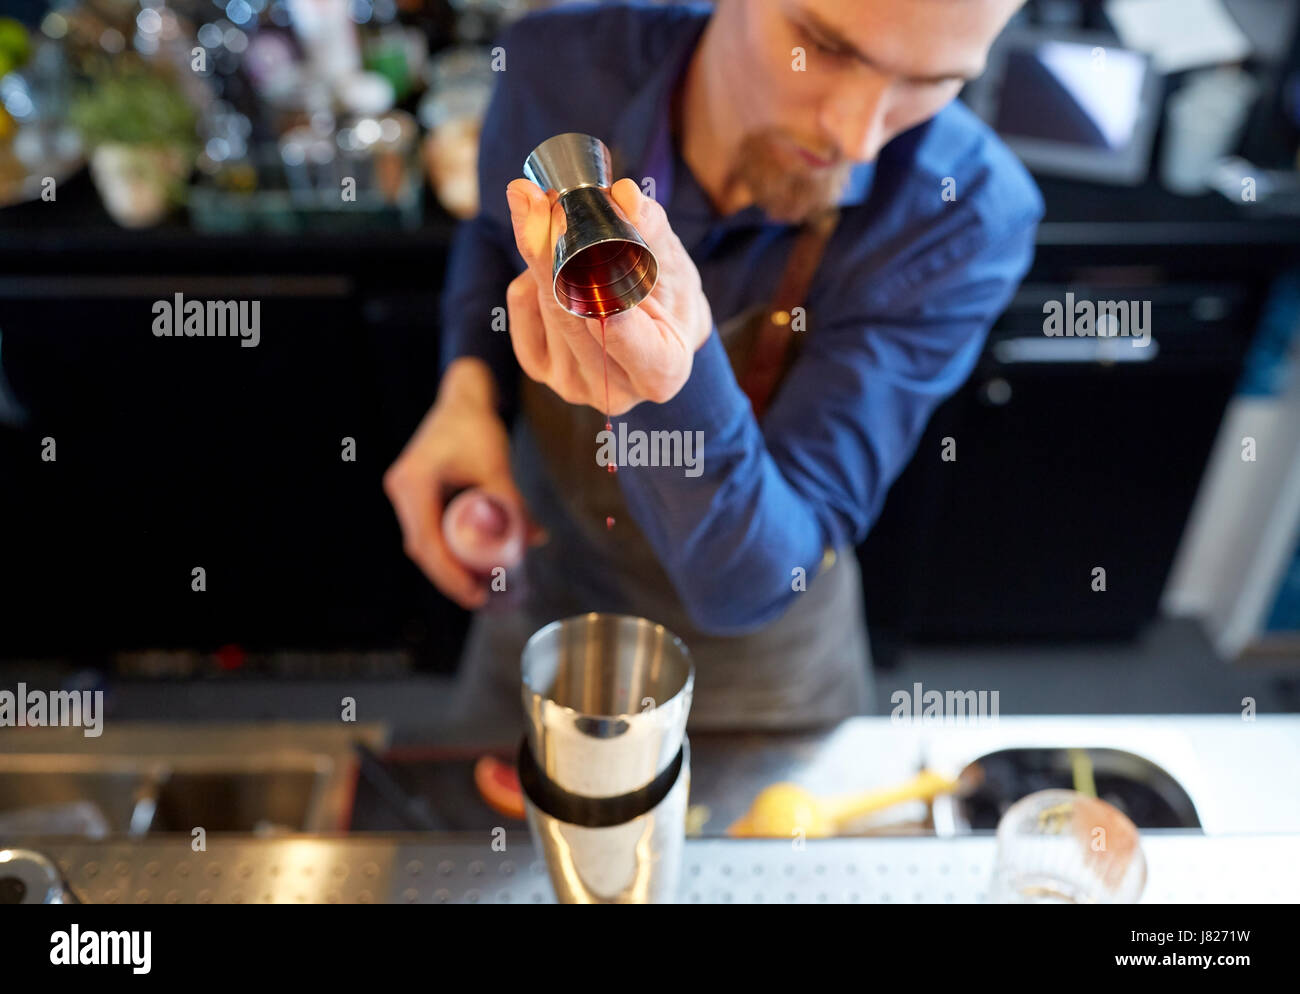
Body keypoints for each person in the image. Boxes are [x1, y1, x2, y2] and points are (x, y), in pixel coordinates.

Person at [384, 0, 1041, 735]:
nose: (856, 135)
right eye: (822, 45)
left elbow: (749, 585)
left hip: (754, 665)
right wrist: (466, 392)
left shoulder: (963, 215)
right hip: (550, 587)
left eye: (932, 80)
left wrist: (679, 375)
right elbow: (491, 235)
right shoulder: (557, 65)